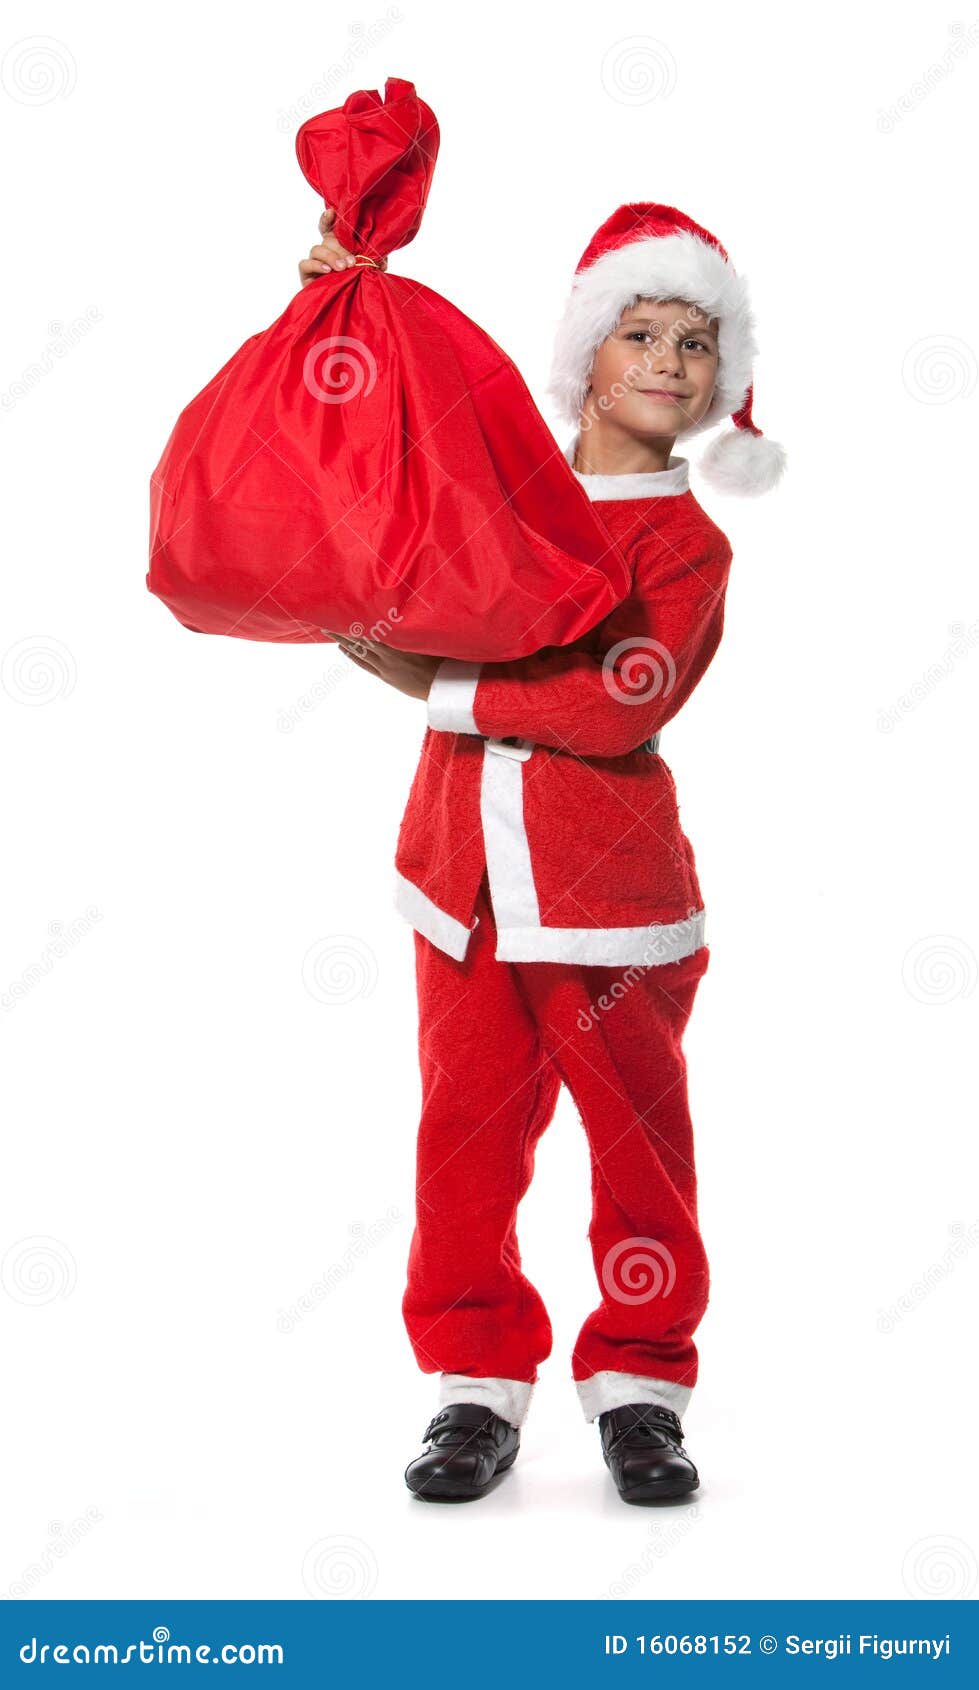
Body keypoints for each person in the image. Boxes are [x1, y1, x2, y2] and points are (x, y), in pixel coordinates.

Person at [302, 202, 785, 1504]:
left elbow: (613, 702)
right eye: (643, 332)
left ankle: (641, 1380)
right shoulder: (501, 487)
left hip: (607, 906)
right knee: (462, 1136)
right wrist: (348, 301)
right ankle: (473, 1383)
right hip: (459, 880)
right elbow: (395, 439)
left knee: (637, 1141)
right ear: (589, 353)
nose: (670, 363)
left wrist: (438, 682)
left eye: (697, 342)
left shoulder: (688, 550)